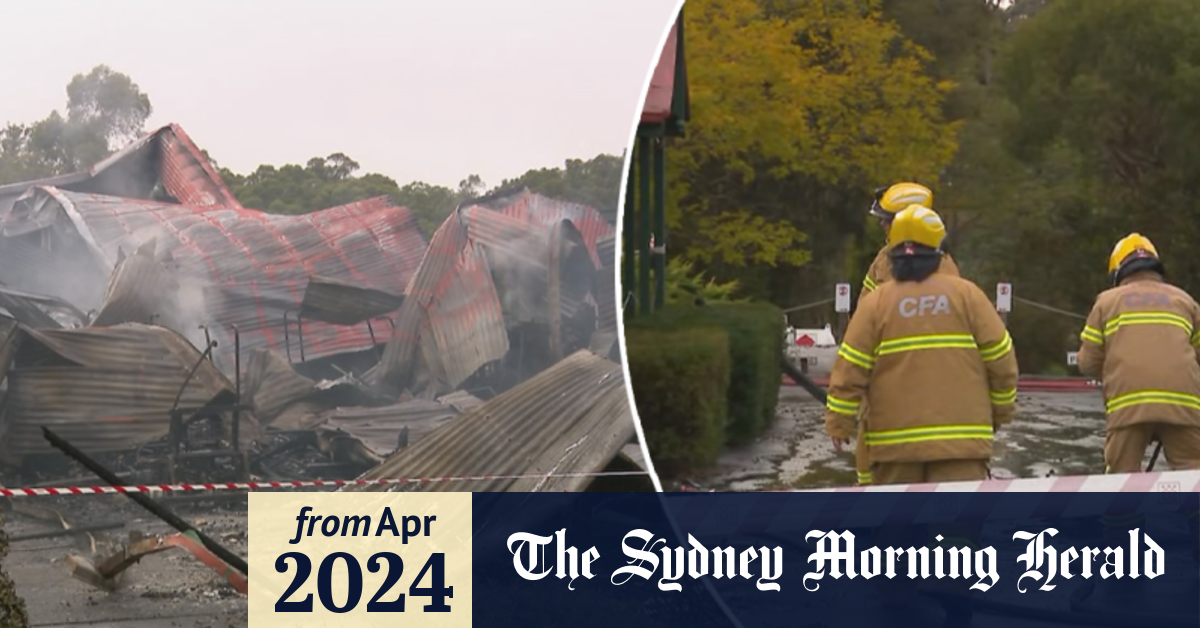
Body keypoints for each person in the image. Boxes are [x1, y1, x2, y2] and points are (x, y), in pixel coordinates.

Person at [825, 204, 1018, 484]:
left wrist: (839, 422)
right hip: (961, 446)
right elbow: (1002, 361)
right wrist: (999, 414)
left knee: (898, 527)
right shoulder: (968, 296)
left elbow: (849, 368)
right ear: (939, 248)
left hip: (894, 448)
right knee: (954, 526)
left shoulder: (875, 304)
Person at [1077, 233, 1200, 566]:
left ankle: (1124, 559)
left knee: (1122, 481)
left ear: (1119, 270)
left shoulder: (1106, 302)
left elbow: (1087, 361)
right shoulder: (1185, 301)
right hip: (1184, 406)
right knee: (1193, 475)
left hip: (1128, 407)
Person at [852, 183, 963, 485]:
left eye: (887, 219)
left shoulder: (939, 267)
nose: (882, 225)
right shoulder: (883, 259)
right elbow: (864, 312)